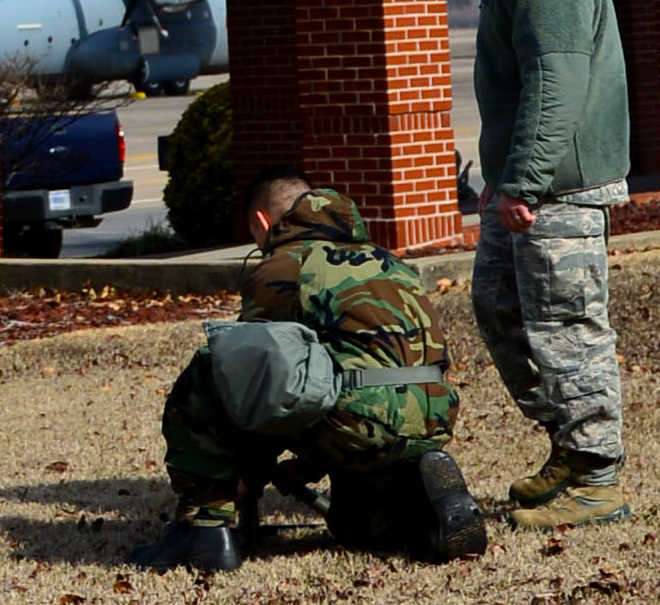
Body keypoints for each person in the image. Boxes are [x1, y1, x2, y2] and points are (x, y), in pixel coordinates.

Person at [432, 0, 631, 530]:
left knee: (567, 325)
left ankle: (597, 474)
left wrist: (526, 180)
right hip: (523, 182)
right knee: (498, 303)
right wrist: (505, 178)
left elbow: (557, 80)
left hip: (559, 189)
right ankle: (569, 446)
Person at [147, 169, 485, 575]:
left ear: (262, 224)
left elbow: (255, 384)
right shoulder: (388, 262)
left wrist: (244, 481)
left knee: (215, 364)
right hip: (429, 416)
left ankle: (202, 529)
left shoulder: (284, 266)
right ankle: (422, 512)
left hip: (355, 420)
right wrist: (309, 467)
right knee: (351, 524)